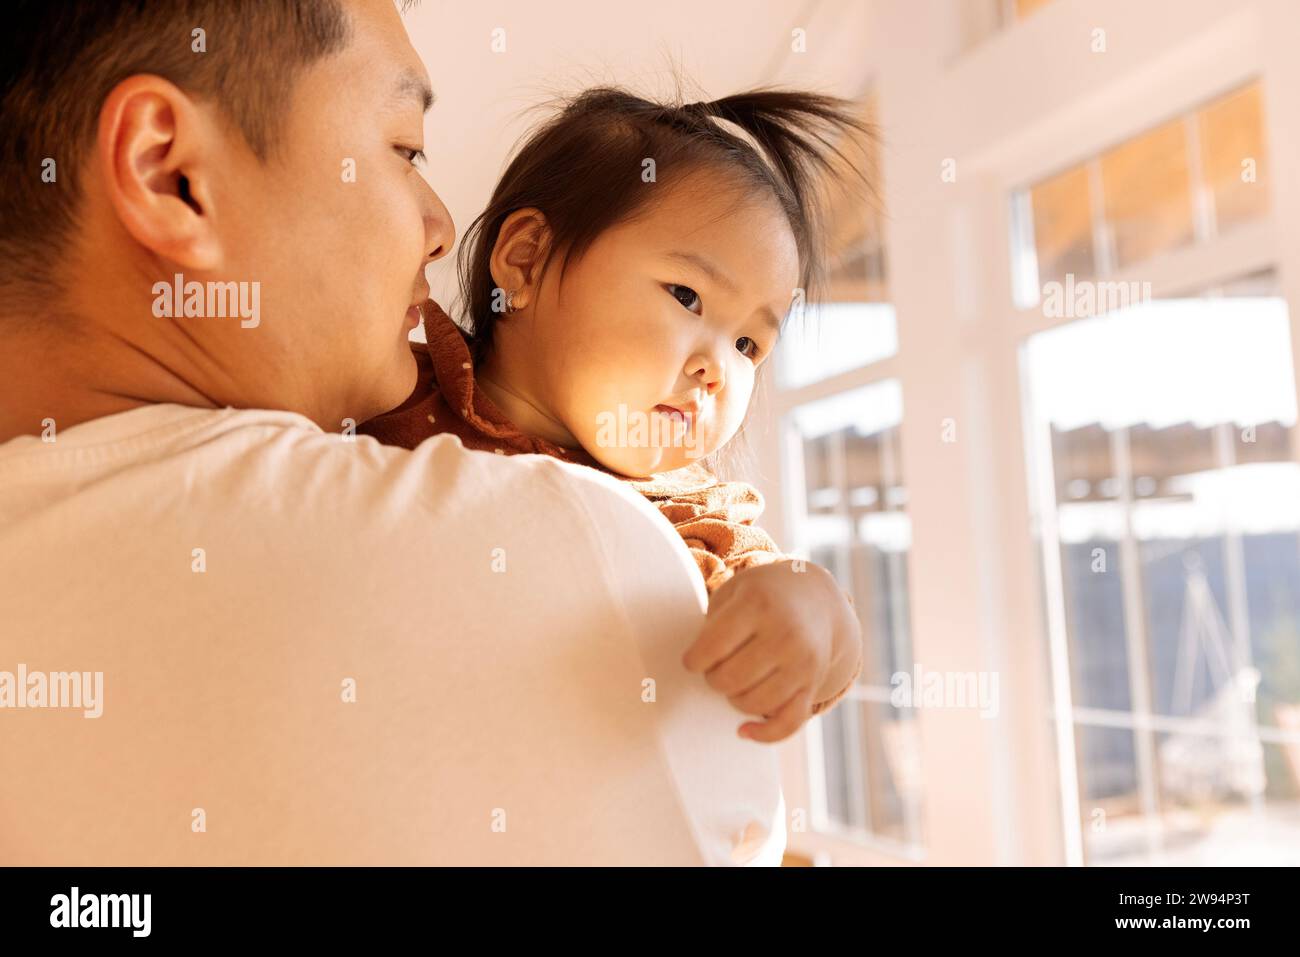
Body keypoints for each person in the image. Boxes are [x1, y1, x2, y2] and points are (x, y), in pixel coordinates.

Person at [0, 0, 789, 865]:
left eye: (753, 341)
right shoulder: (573, 548)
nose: (442, 227)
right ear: (172, 174)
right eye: (404, 150)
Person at [361, 87, 868, 730]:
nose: (719, 369)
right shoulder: (394, 383)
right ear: (527, 259)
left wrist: (814, 614)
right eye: (687, 296)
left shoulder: (685, 511)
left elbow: (805, 613)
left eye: (749, 344)